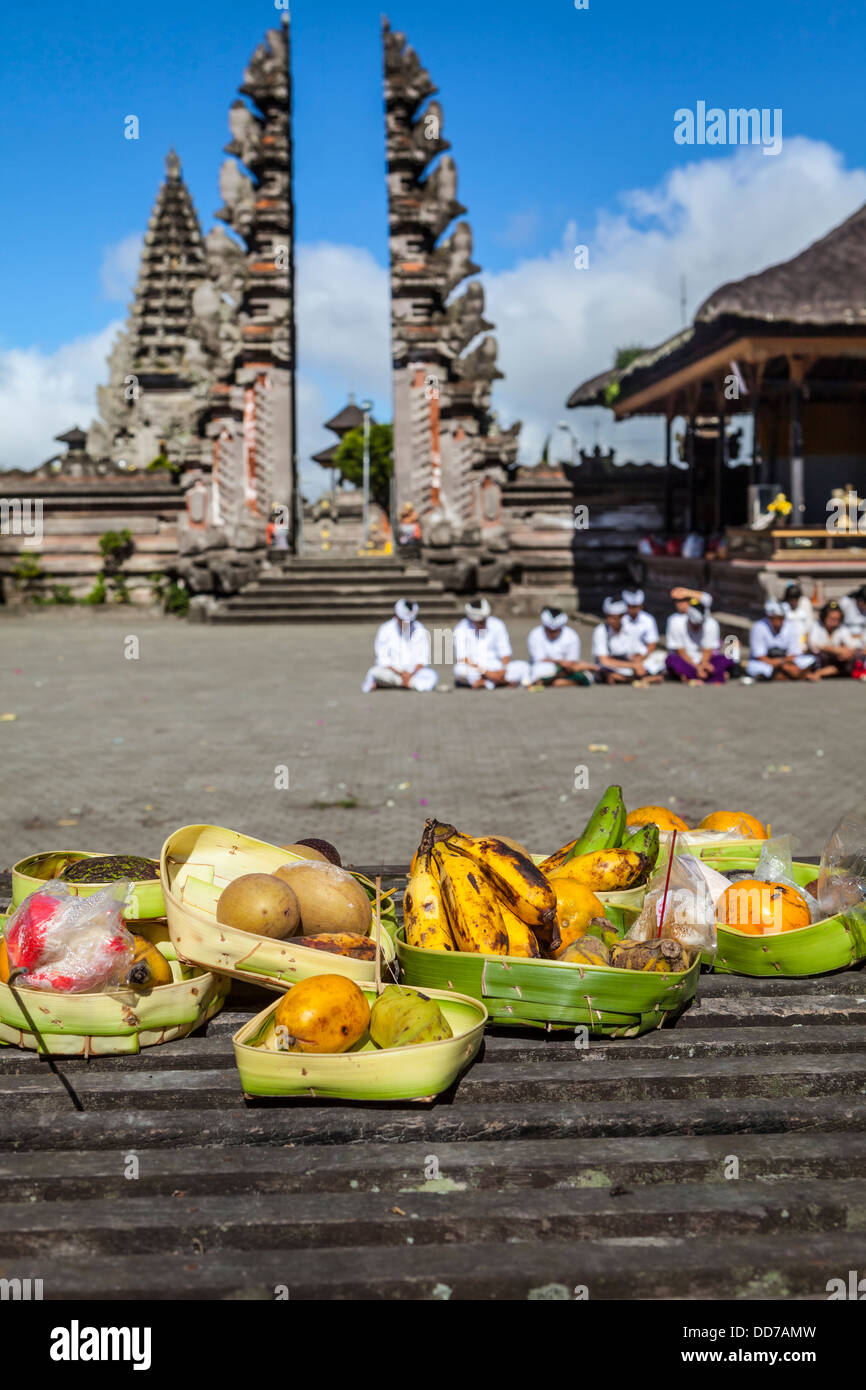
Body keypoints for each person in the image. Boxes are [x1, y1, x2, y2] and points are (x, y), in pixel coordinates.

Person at [362, 600, 439, 693]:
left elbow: (422, 660)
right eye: (403, 620)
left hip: (414, 673)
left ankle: (392, 684)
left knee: (432, 675)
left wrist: (409, 674)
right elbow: (383, 660)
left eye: (409, 621)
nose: (406, 624)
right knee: (374, 672)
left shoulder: (420, 629)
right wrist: (402, 674)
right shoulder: (385, 629)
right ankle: (408, 684)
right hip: (392, 672)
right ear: (396, 616)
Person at [453, 598, 529, 689]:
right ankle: (500, 682)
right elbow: (463, 658)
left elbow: (505, 653)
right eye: (479, 622)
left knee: (524, 666)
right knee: (460, 671)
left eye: (484, 620)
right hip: (475, 668)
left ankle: (486, 683)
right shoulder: (461, 628)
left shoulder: (497, 624)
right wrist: (487, 673)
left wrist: (503, 671)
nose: (482, 624)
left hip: (495, 666)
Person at [592, 598, 665, 685]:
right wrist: (632, 665)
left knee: (657, 659)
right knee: (604, 671)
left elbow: (634, 653)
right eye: (608, 617)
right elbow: (604, 660)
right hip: (612, 665)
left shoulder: (629, 628)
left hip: (627, 663)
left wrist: (638, 661)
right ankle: (640, 679)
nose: (610, 620)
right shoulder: (601, 630)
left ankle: (627, 678)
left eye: (614, 618)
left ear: (622, 617)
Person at [665, 592, 732, 685]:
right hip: (686, 660)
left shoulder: (711, 624)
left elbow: (708, 650)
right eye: (694, 625)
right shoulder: (675, 622)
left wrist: (703, 665)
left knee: (726, 659)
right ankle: (712, 676)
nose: (697, 627)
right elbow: (680, 651)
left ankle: (692, 676)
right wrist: (697, 667)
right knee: (671, 660)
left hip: (704, 660)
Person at [746, 600, 817, 681]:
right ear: (769, 617)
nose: (778, 622)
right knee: (755, 667)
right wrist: (782, 664)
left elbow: (794, 654)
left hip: (786, 663)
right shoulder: (758, 627)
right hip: (768, 664)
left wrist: (783, 663)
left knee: (809, 660)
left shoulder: (791, 626)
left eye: (781, 618)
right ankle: (794, 675)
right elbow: (760, 657)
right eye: (775, 618)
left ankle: (783, 675)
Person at [527, 608, 598, 687]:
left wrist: (566, 665)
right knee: (545, 669)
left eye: (555, 631)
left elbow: (572, 660)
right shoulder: (535, 634)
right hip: (544, 668)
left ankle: (554, 681)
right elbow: (539, 659)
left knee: (585, 675)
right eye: (549, 630)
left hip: (567, 669)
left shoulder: (571, 635)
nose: (552, 633)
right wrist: (561, 663)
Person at [807, 600, 859, 679]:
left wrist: (846, 653)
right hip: (820, 659)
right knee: (821, 656)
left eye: (837, 619)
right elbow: (813, 644)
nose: (834, 622)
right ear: (824, 617)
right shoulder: (816, 626)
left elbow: (851, 644)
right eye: (831, 618)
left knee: (851, 658)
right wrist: (835, 650)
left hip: (837, 661)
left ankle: (821, 673)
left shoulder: (841, 628)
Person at [621, 589, 666, 676]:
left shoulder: (648, 619)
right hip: (626, 657)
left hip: (645, 656)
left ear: (640, 607)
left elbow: (652, 644)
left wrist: (642, 657)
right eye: (631, 607)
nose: (633, 610)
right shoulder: (621, 619)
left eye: (635, 607)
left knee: (661, 658)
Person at [781, 583, 813, 652]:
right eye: (791, 600)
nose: (793, 602)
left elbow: (808, 627)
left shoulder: (805, 604)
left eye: (795, 600)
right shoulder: (783, 607)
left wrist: (803, 643)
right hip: (786, 645)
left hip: (802, 644)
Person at [839, 585, 866, 650]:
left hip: (862, 636)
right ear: (859, 599)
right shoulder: (846, 602)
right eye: (864, 603)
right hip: (845, 634)